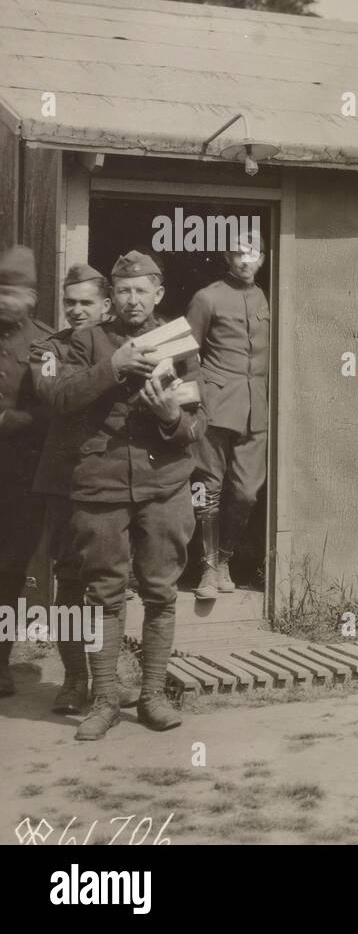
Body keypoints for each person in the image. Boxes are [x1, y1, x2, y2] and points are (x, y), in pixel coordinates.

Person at [49, 250, 206, 740]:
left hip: (164, 484)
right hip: (101, 485)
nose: (132, 299)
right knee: (102, 596)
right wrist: (112, 366)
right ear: (110, 297)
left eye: (142, 290)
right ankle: (103, 700)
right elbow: (59, 397)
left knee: (161, 592)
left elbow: (197, 425)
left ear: (158, 294)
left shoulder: (178, 341)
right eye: (123, 290)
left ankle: (154, 696)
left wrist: (170, 418)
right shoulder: (85, 340)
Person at [28, 264, 113, 712]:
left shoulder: (125, 344)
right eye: (70, 302)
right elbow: (54, 392)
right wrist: (113, 369)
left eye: (87, 302)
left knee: (111, 580)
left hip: (118, 479)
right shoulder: (46, 348)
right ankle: (74, 680)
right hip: (66, 480)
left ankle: (107, 682)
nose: (77, 310)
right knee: (70, 580)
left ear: (107, 305)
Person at [187, 244, 270, 598]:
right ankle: (208, 570)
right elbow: (186, 353)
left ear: (263, 259)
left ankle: (224, 558)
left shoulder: (267, 297)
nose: (245, 260)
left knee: (247, 493)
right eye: (238, 253)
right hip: (216, 407)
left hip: (257, 410)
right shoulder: (207, 298)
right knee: (208, 487)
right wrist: (198, 398)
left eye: (253, 254)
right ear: (226, 257)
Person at [0, 246, 53, 697]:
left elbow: (56, 409)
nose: (2, 299)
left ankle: (1, 663)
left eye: (12, 292)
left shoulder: (46, 345)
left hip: (16, 480)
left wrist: (11, 421)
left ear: (32, 298)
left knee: (10, 571)